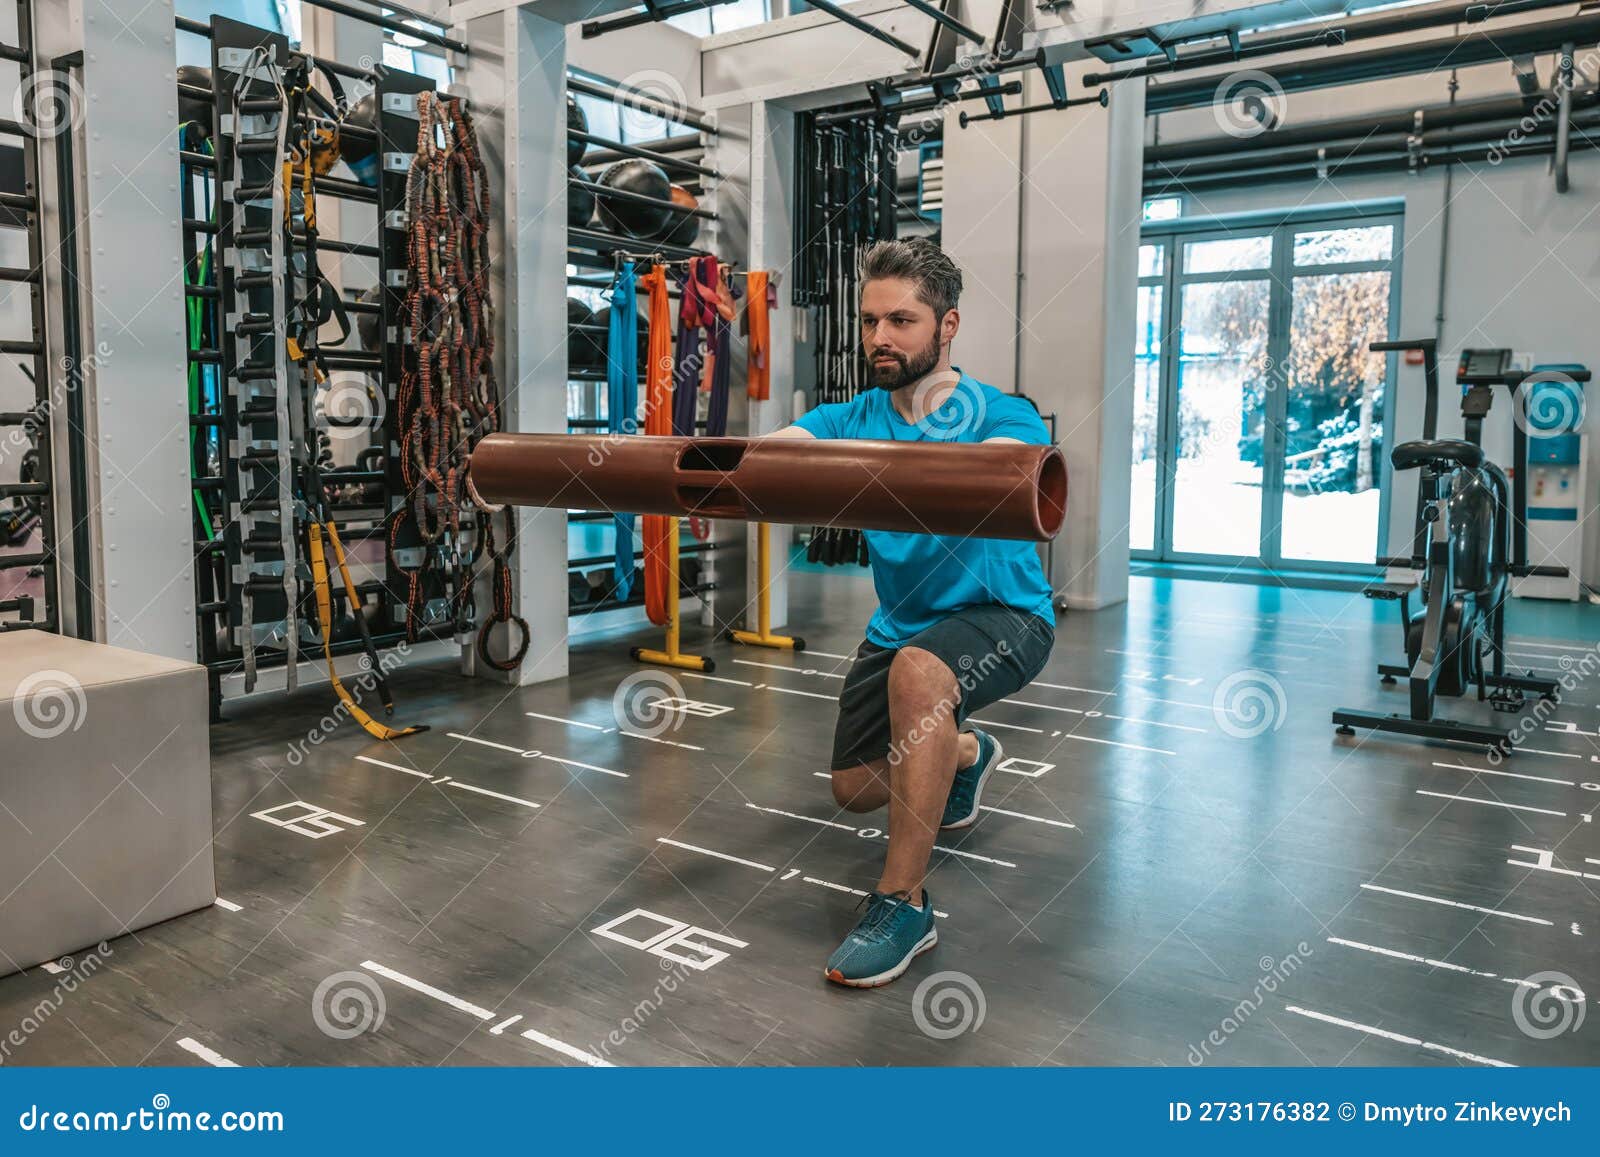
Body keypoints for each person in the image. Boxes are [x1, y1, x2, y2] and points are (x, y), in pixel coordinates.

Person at [766, 237, 1057, 987]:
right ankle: (963, 751)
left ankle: (904, 902)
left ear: (948, 324)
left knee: (921, 675)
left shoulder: (1004, 412)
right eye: (869, 322)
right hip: (901, 624)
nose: (880, 339)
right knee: (857, 790)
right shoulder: (857, 414)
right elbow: (786, 447)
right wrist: (752, 465)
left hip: (1003, 616)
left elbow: (1005, 463)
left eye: (901, 320)